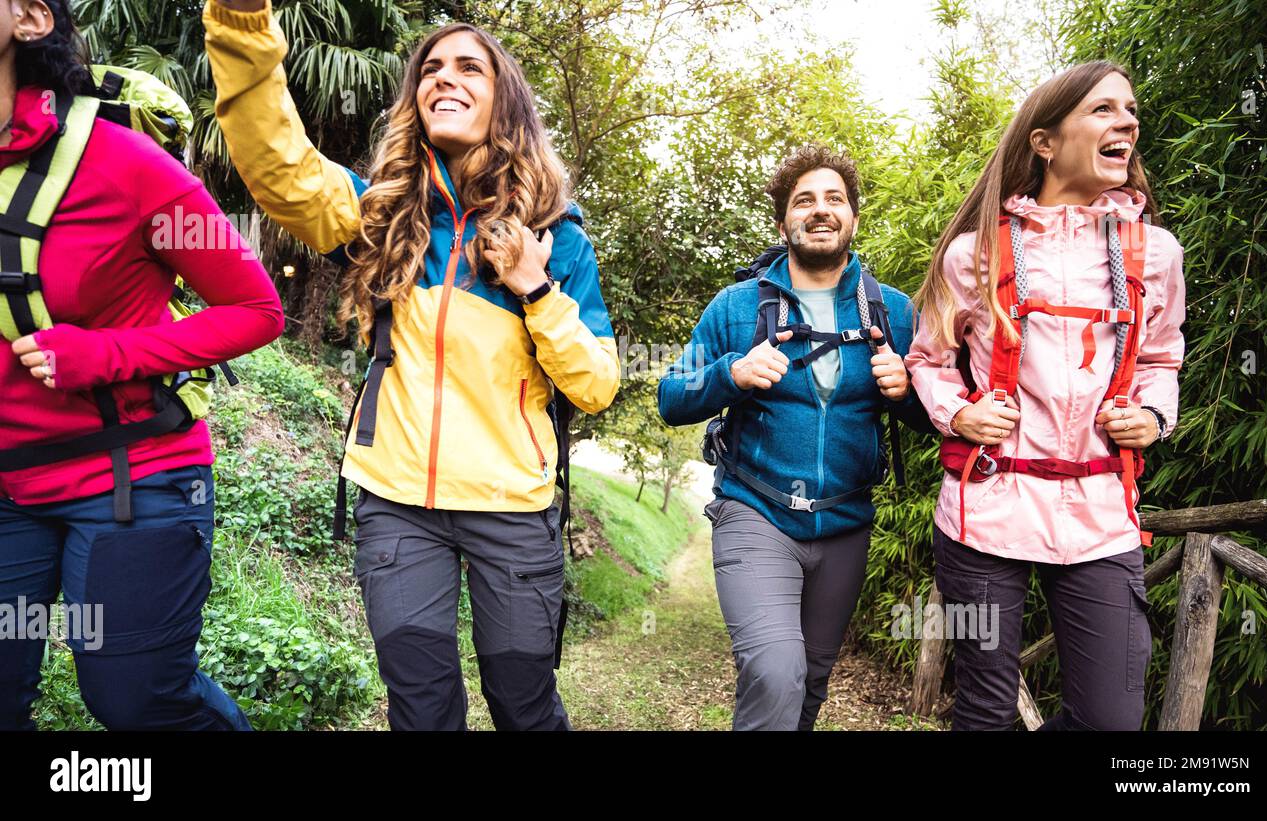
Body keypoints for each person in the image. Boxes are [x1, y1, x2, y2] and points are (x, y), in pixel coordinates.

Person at [204, 0, 619, 731]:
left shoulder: (555, 236)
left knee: (524, 705)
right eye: (430, 69)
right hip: (396, 503)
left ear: (505, 101)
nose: (443, 79)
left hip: (512, 508)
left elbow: (595, 385)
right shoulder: (382, 216)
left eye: (468, 67)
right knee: (421, 710)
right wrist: (241, 25)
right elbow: (279, 164)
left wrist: (535, 287)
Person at [0, 0, 283, 730]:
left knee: (138, 703)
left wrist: (104, 354)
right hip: (8, 483)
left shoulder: (123, 164)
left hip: (131, 474)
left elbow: (256, 310)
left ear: (29, 18)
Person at [904, 61, 1186, 730]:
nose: (1128, 122)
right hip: (986, 512)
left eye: (1131, 110)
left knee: (1110, 719)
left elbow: (1161, 356)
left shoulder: (1157, 254)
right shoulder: (974, 255)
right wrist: (959, 411)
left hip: (1101, 515)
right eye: (1103, 110)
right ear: (1045, 142)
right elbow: (928, 358)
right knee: (985, 708)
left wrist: (1152, 413)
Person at [658, 145, 933, 730]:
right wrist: (732, 373)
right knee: (775, 669)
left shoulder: (895, 312)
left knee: (809, 683)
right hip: (756, 512)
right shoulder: (737, 307)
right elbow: (671, 397)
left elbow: (938, 421)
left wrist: (906, 390)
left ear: (853, 217)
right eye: (803, 200)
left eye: (834, 198)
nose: (820, 209)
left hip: (846, 524)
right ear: (783, 220)